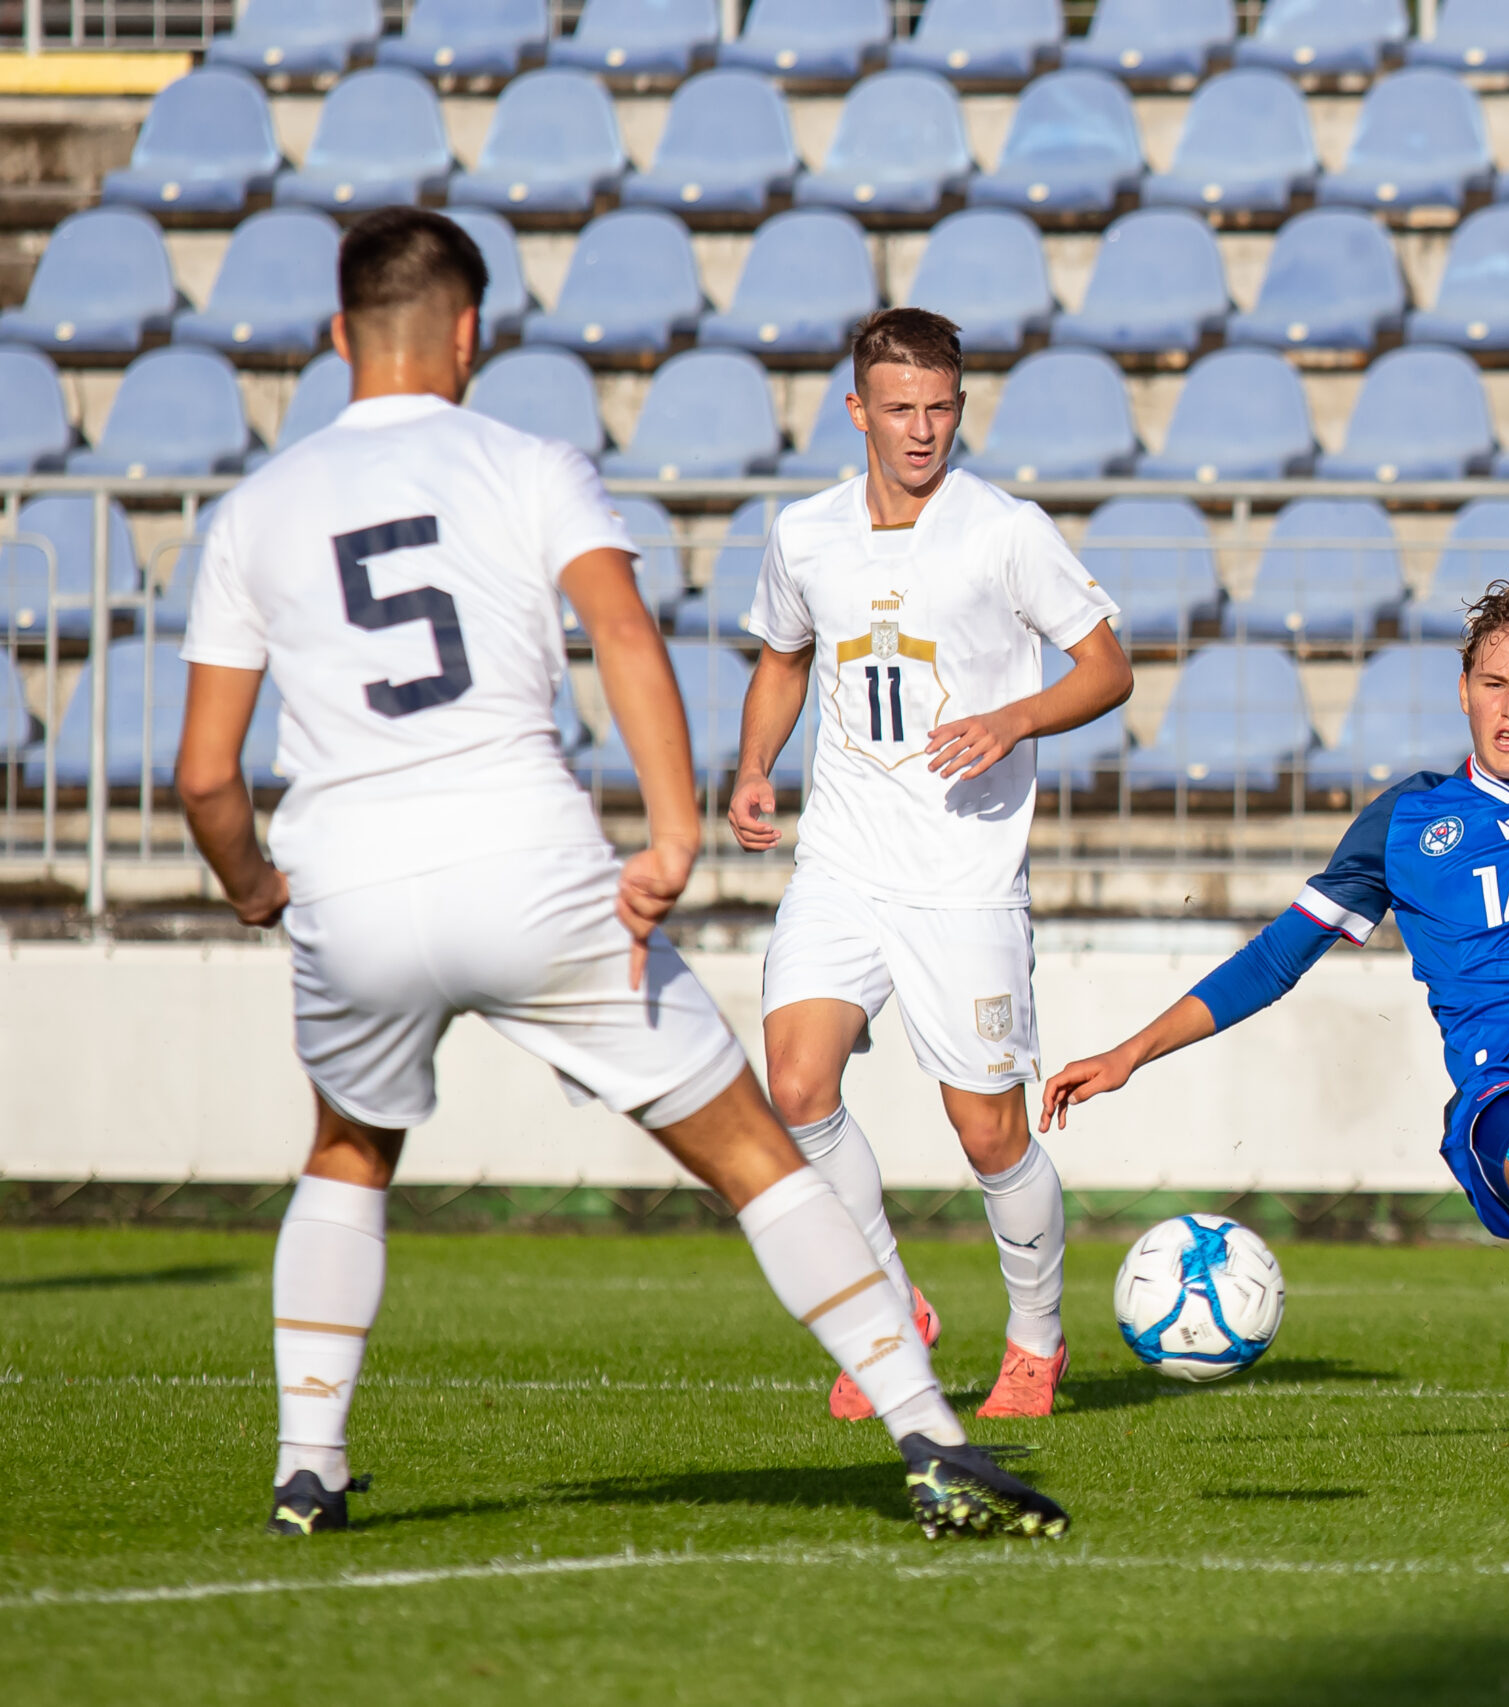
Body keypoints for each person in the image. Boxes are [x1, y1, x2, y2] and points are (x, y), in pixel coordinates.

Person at [173, 209, 1065, 1541]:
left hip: (348, 879)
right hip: (533, 869)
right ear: (469, 332)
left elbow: (203, 775)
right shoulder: (529, 465)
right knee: (759, 1149)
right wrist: (673, 831)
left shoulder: (255, 508)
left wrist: (251, 883)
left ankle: (308, 1464)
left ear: (334, 336)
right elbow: (624, 632)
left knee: (347, 1151)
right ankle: (930, 1437)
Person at [1041, 577, 1509, 1456]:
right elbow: (1275, 958)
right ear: (1462, 687)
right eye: (1495, 684)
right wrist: (1130, 1052)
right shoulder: (1409, 822)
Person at [726, 307, 1133, 1422]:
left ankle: (1036, 1341)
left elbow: (1107, 669)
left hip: (964, 876)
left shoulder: (1005, 531)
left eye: (941, 409)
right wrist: (756, 765)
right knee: (797, 1085)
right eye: (900, 409)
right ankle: (893, 1309)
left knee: (986, 1130)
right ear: (855, 411)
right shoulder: (805, 532)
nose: (922, 431)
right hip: (843, 860)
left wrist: (1013, 718)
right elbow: (782, 657)